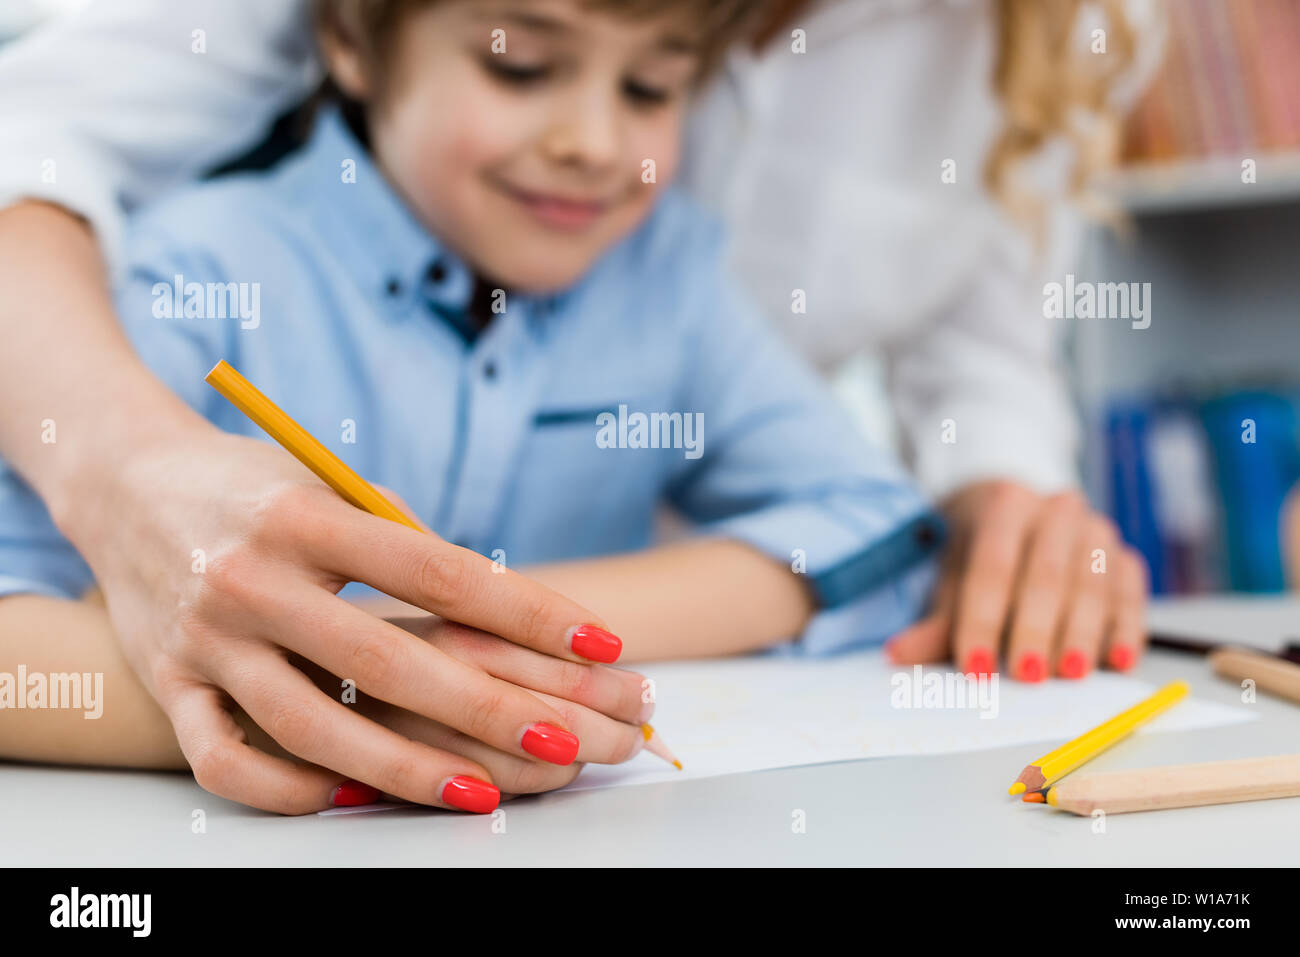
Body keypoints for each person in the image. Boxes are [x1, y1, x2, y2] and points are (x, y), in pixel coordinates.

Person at [0, 0, 938, 813]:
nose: (594, 144)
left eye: (651, 89)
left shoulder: (669, 281)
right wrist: (335, 694)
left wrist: (474, 649)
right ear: (351, 41)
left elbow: (878, 531)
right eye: (515, 65)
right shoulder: (197, 272)